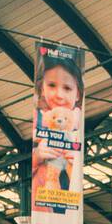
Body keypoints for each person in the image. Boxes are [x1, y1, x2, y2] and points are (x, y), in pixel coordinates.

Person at [32, 51, 83, 205]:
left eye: (67, 88)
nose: (59, 94)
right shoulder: (37, 120)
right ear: (42, 89)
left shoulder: (81, 124)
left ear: (78, 94)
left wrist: (78, 161)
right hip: (44, 199)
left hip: (72, 203)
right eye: (52, 85)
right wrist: (37, 156)